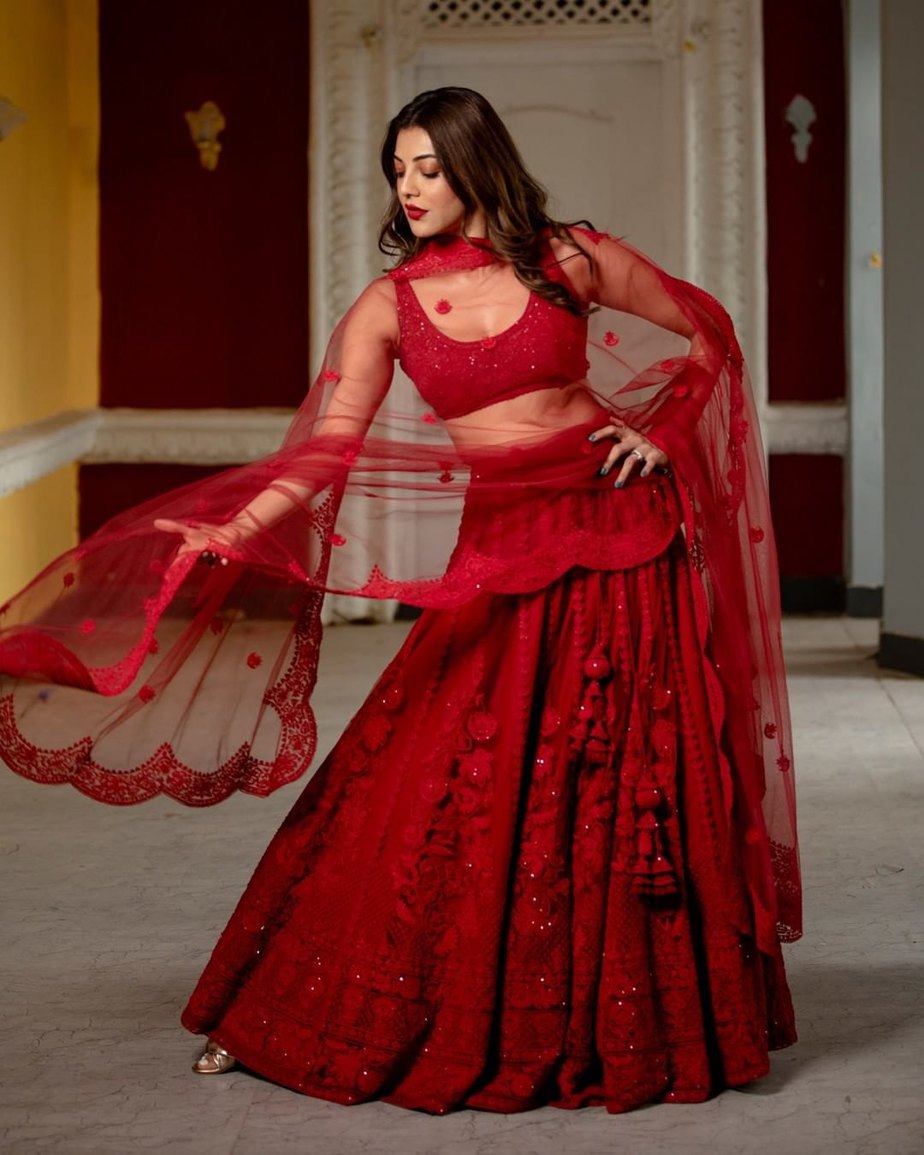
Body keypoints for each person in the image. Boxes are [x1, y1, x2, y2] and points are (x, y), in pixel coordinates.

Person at [0, 87, 799, 1114]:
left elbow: (707, 334)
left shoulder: (572, 259)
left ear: (476, 164)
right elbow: (327, 449)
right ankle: (309, 1007)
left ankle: (629, 1017)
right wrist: (236, 530)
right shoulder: (388, 305)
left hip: (616, 539)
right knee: (425, 770)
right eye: (398, 170)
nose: (409, 188)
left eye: (428, 167)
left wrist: (668, 432)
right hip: (501, 550)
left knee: (617, 774)